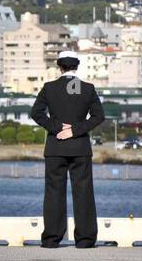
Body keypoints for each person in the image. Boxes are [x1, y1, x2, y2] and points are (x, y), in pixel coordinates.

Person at [30, 50, 105, 248]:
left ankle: (52, 239)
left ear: (59, 67)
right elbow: (99, 116)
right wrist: (75, 130)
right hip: (80, 147)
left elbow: (36, 113)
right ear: (76, 67)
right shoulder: (88, 89)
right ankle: (85, 240)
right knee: (84, 193)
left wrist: (57, 128)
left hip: (55, 147)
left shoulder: (49, 88)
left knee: (54, 193)